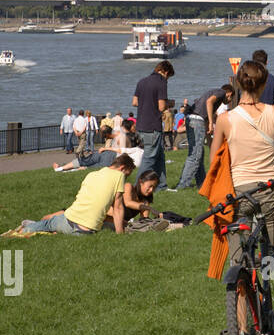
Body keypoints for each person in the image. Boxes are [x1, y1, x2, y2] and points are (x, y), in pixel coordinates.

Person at [209, 58, 274, 297]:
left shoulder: (225, 119)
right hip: (269, 189)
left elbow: (214, 160)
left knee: (239, 262)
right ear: (264, 85)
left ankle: (243, 328)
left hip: (239, 192)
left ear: (238, 84)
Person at [13, 155, 136, 235]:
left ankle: (27, 229)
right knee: (109, 226)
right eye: (127, 174)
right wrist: (120, 234)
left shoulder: (92, 174)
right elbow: (118, 208)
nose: (126, 177)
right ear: (122, 168)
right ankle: (40, 228)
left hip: (69, 220)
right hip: (85, 231)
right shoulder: (119, 176)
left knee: (49, 223)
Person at [175, 84, 229, 191]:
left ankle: (202, 183)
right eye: (230, 98)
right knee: (195, 155)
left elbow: (208, 127)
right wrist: (210, 123)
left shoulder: (212, 93)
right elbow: (209, 102)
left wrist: (211, 145)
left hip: (191, 118)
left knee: (199, 153)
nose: (229, 101)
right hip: (197, 120)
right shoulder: (221, 93)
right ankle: (182, 185)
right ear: (229, 93)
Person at [133, 59, 174, 191]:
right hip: (152, 126)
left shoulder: (142, 81)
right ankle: (136, 188)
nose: (168, 79)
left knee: (160, 156)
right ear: (165, 72)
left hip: (140, 125)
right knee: (149, 159)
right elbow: (161, 106)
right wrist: (170, 103)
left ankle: (162, 186)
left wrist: (148, 103)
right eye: (169, 76)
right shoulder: (161, 82)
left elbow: (135, 102)